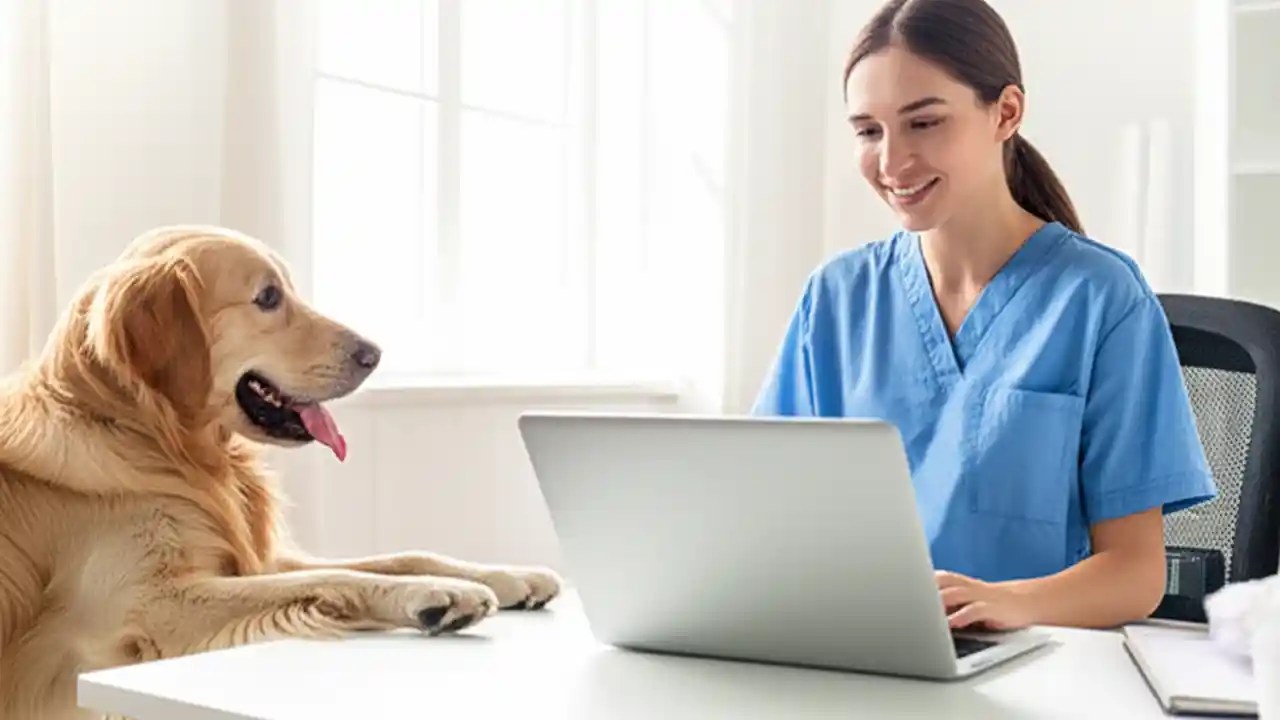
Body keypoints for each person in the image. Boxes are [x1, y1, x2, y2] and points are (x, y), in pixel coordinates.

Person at [752, 0, 1216, 632]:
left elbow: (1134, 575)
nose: (891, 162)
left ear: (1006, 113)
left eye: (924, 123)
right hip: (862, 652)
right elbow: (768, 520)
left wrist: (1008, 605)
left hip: (1032, 664)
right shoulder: (834, 300)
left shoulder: (1100, 299)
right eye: (868, 131)